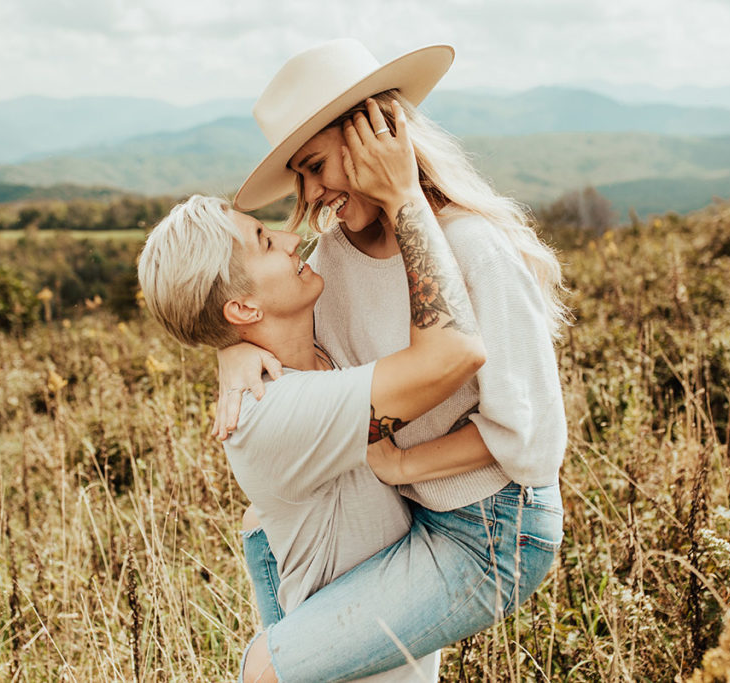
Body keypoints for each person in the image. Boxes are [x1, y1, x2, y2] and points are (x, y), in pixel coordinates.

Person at [216, 39, 568, 681]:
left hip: (494, 530)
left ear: (378, 135)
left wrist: (402, 463)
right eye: (300, 175)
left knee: (271, 666)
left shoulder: (472, 249)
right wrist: (236, 353)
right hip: (407, 504)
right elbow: (287, 333)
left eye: (317, 165)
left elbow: (535, 443)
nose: (312, 192)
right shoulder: (331, 262)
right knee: (261, 531)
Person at [137, 98, 496, 682]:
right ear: (244, 305)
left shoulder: (314, 351)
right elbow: (453, 353)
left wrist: (231, 346)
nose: (288, 237)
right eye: (261, 239)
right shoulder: (277, 411)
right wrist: (405, 197)